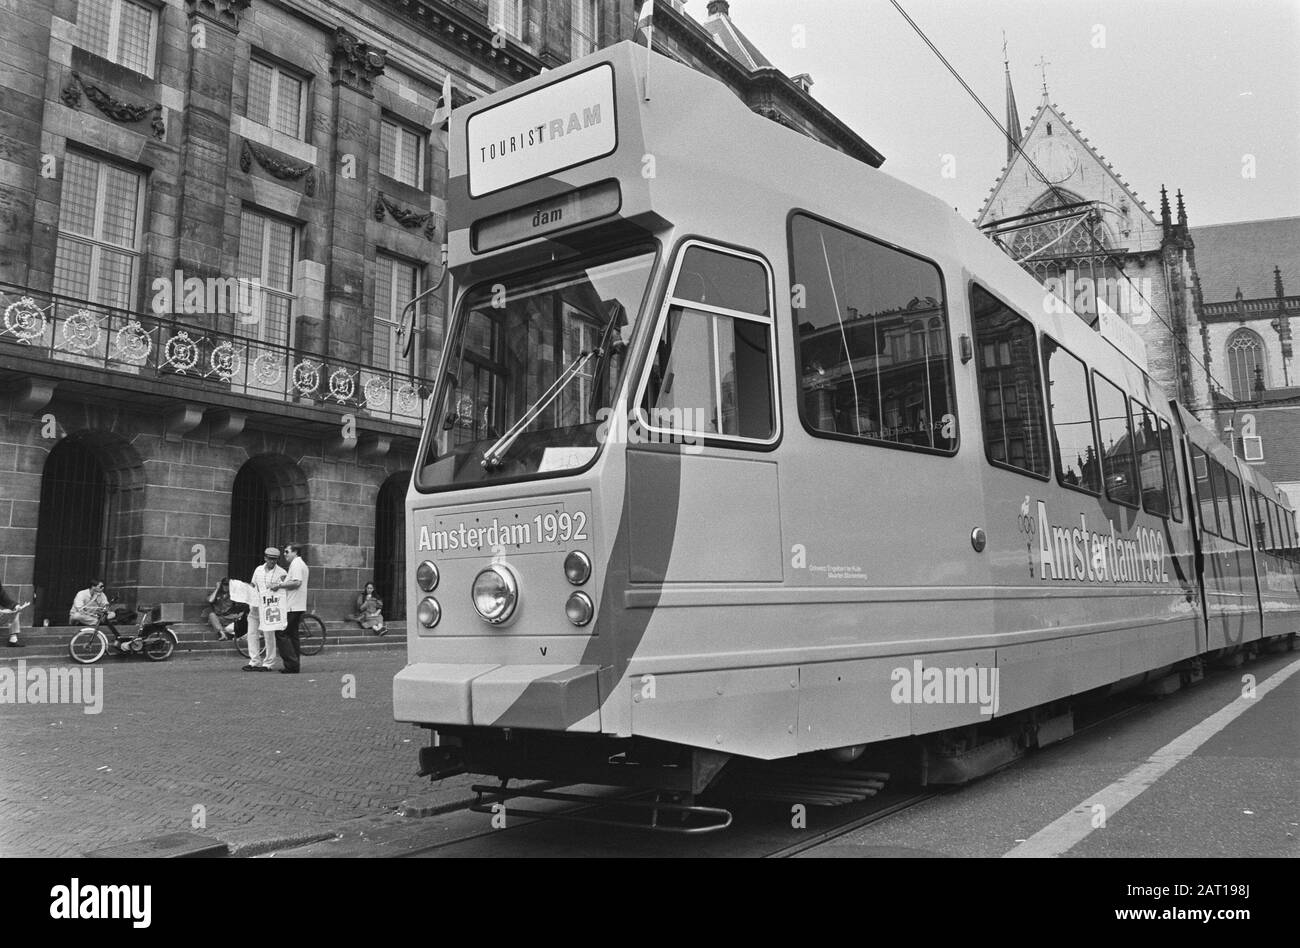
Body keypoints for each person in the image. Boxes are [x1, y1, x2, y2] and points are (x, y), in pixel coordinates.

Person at [245, 548, 287, 672]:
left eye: (275, 559)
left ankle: (268, 663)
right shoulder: (258, 570)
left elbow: (284, 591)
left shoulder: (282, 572)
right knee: (252, 633)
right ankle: (254, 661)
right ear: (265, 558)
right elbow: (253, 585)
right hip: (256, 606)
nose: (272, 562)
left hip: (270, 608)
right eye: (270, 559)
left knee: (269, 635)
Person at [274, 543, 309, 674]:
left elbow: (296, 582)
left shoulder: (296, 564)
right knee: (292, 634)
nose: (285, 554)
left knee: (281, 633)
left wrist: (279, 585)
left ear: (295, 552)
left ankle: (291, 664)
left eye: (287, 552)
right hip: (297, 604)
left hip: (293, 605)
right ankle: (295, 664)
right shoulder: (300, 564)